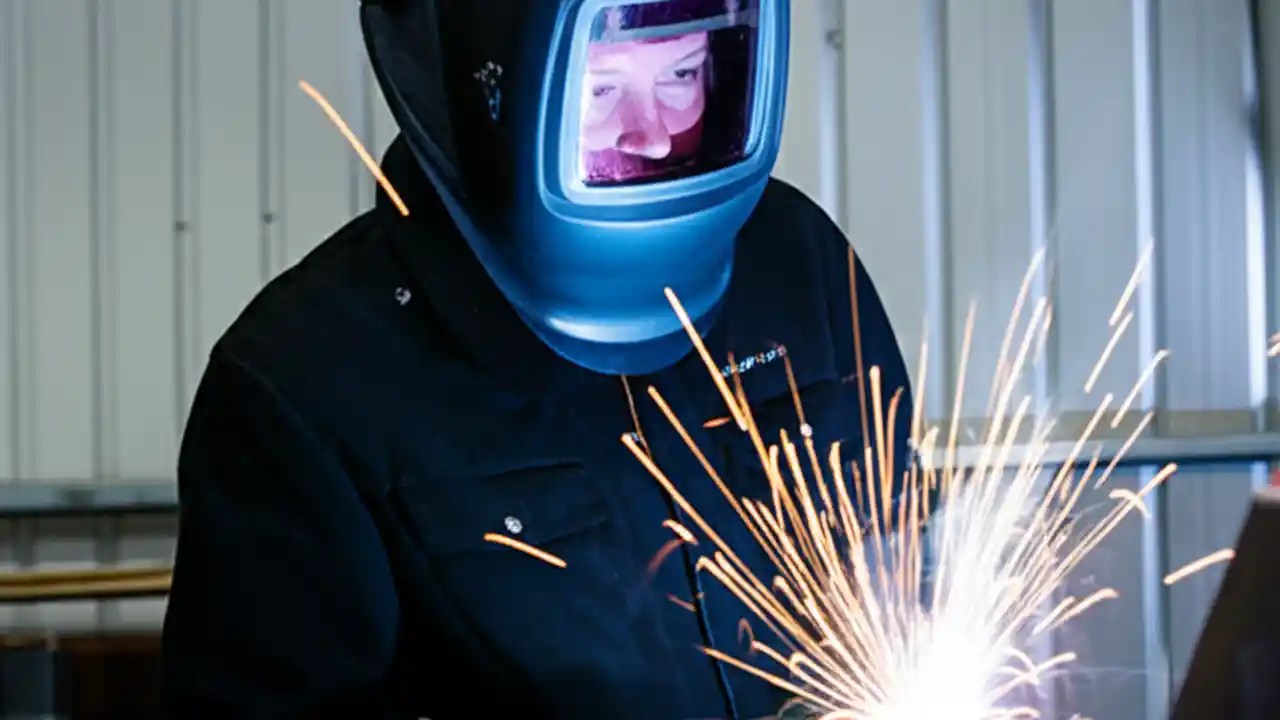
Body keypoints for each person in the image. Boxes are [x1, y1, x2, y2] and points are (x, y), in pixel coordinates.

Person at [159, 1, 917, 718]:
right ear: (491, 90)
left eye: (682, 74)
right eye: (603, 86)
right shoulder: (304, 382)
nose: (651, 135)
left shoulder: (795, 262)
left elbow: (908, 569)